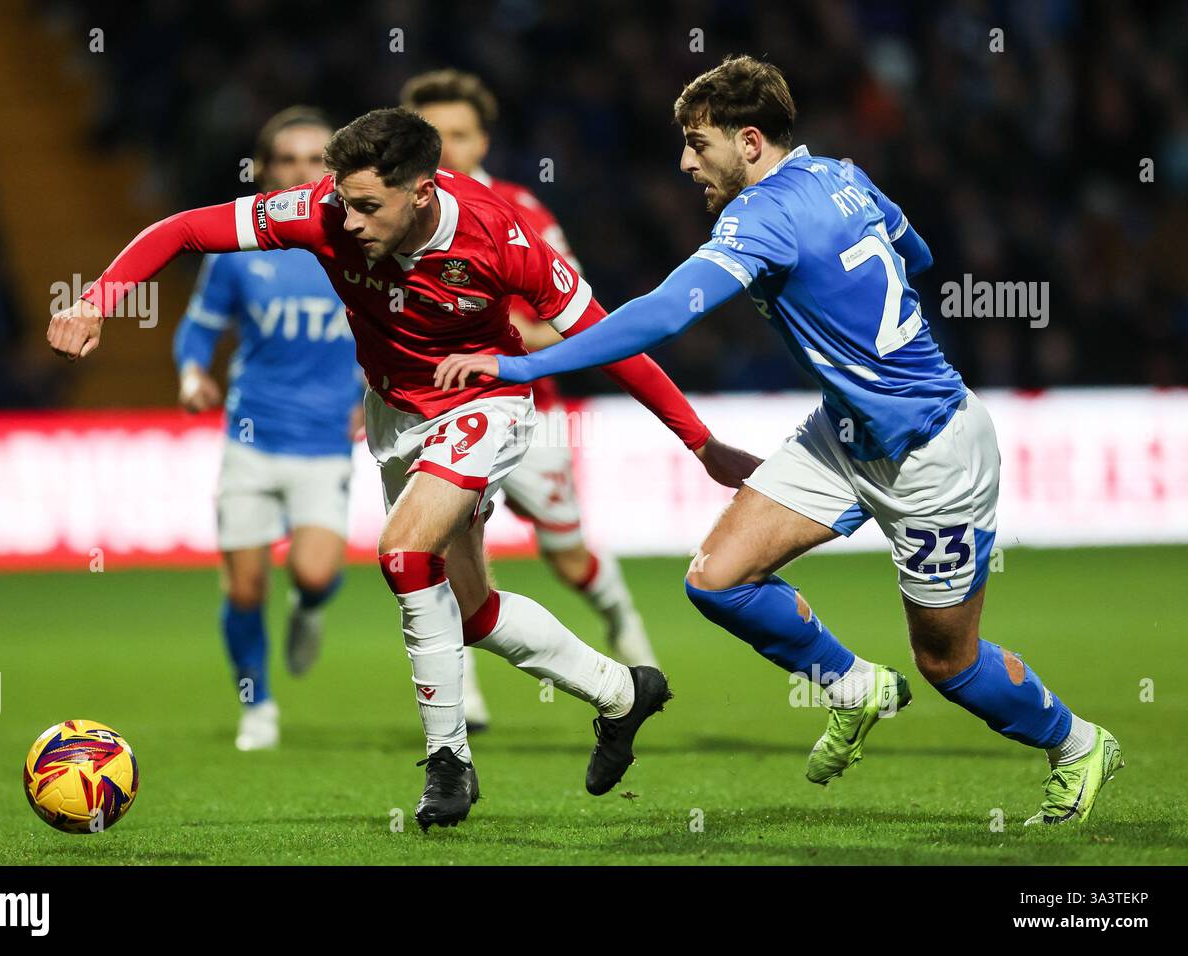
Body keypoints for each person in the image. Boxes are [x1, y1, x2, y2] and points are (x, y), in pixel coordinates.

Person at [435, 56, 1122, 826]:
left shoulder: (761, 215)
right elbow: (917, 253)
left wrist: (518, 361)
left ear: (750, 141)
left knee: (948, 664)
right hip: (844, 433)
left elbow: (663, 314)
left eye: (699, 144)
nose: (685, 162)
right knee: (717, 579)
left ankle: (1077, 743)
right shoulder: (844, 175)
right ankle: (854, 685)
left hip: (931, 452)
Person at [47, 106, 759, 830]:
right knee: (474, 611)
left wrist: (700, 442)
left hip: (485, 400)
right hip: (395, 413)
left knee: (402, 552)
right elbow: (184, 229)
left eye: (366, 206)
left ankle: (448, 762)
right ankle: (621, 693)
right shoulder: (321, 210)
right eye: (342, 202)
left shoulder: (503, 238)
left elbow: (614, 341)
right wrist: (100, 299)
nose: (347, 221)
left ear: (421, 192)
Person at [401, 68, 659, 735]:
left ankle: (621, 622)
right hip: (436, 420)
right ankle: (464, 705)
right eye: (433, 135)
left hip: (525, 413)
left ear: (484, 139)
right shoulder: (392, 213)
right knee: (442, 552)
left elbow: (576, 318)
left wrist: (504, 354)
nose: (447, 147)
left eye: (459, 134)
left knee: (567, 557)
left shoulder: (518, 209)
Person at [172, 106, 362, 752]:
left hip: (325, 441)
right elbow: (198, 328)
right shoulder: (237, 248)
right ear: (263, 171)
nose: (301, 171)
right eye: (288, 160)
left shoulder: (358, 240)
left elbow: (395, 332)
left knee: (312, 575)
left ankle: (309, 612)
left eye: (316, 161)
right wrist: (192, 373)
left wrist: (380, 395)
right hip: (250, 437)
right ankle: (257, 703)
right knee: (245, 585)